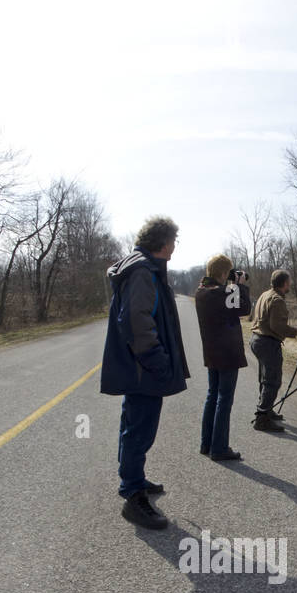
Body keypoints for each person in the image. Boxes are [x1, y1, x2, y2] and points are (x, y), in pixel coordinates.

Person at [103, 216, 191, 530]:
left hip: (142, 368)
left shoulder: (144, 267)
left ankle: (135, 479)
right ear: (163, 242)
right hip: (143, 368)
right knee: (139, 429)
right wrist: (157, 360)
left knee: (135, 425)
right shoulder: (142, 272)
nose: (175, 246)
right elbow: (137, 322)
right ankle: (132, 496)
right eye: (174, 240)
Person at [194, 254, 249, 463]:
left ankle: (206, 443)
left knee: (212, 396)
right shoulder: (222, 293)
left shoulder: (201, 292)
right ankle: (219, 448)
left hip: (211, 352)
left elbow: (230, 306)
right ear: (224, 273)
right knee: (224, 400)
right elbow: (243, 308)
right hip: (227, 353)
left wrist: (232, 285)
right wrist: (239, 285)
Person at [249, 267, 297, 432]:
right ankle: (262, 418)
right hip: (267, 342)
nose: (290, 284)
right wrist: (296, 331)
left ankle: (266, 409)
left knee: (265, 378)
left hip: (257, 340)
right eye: (289, 281)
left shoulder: (265, 294)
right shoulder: (277, 299)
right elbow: (277, 326)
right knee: (273, 380)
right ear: (285, 283)